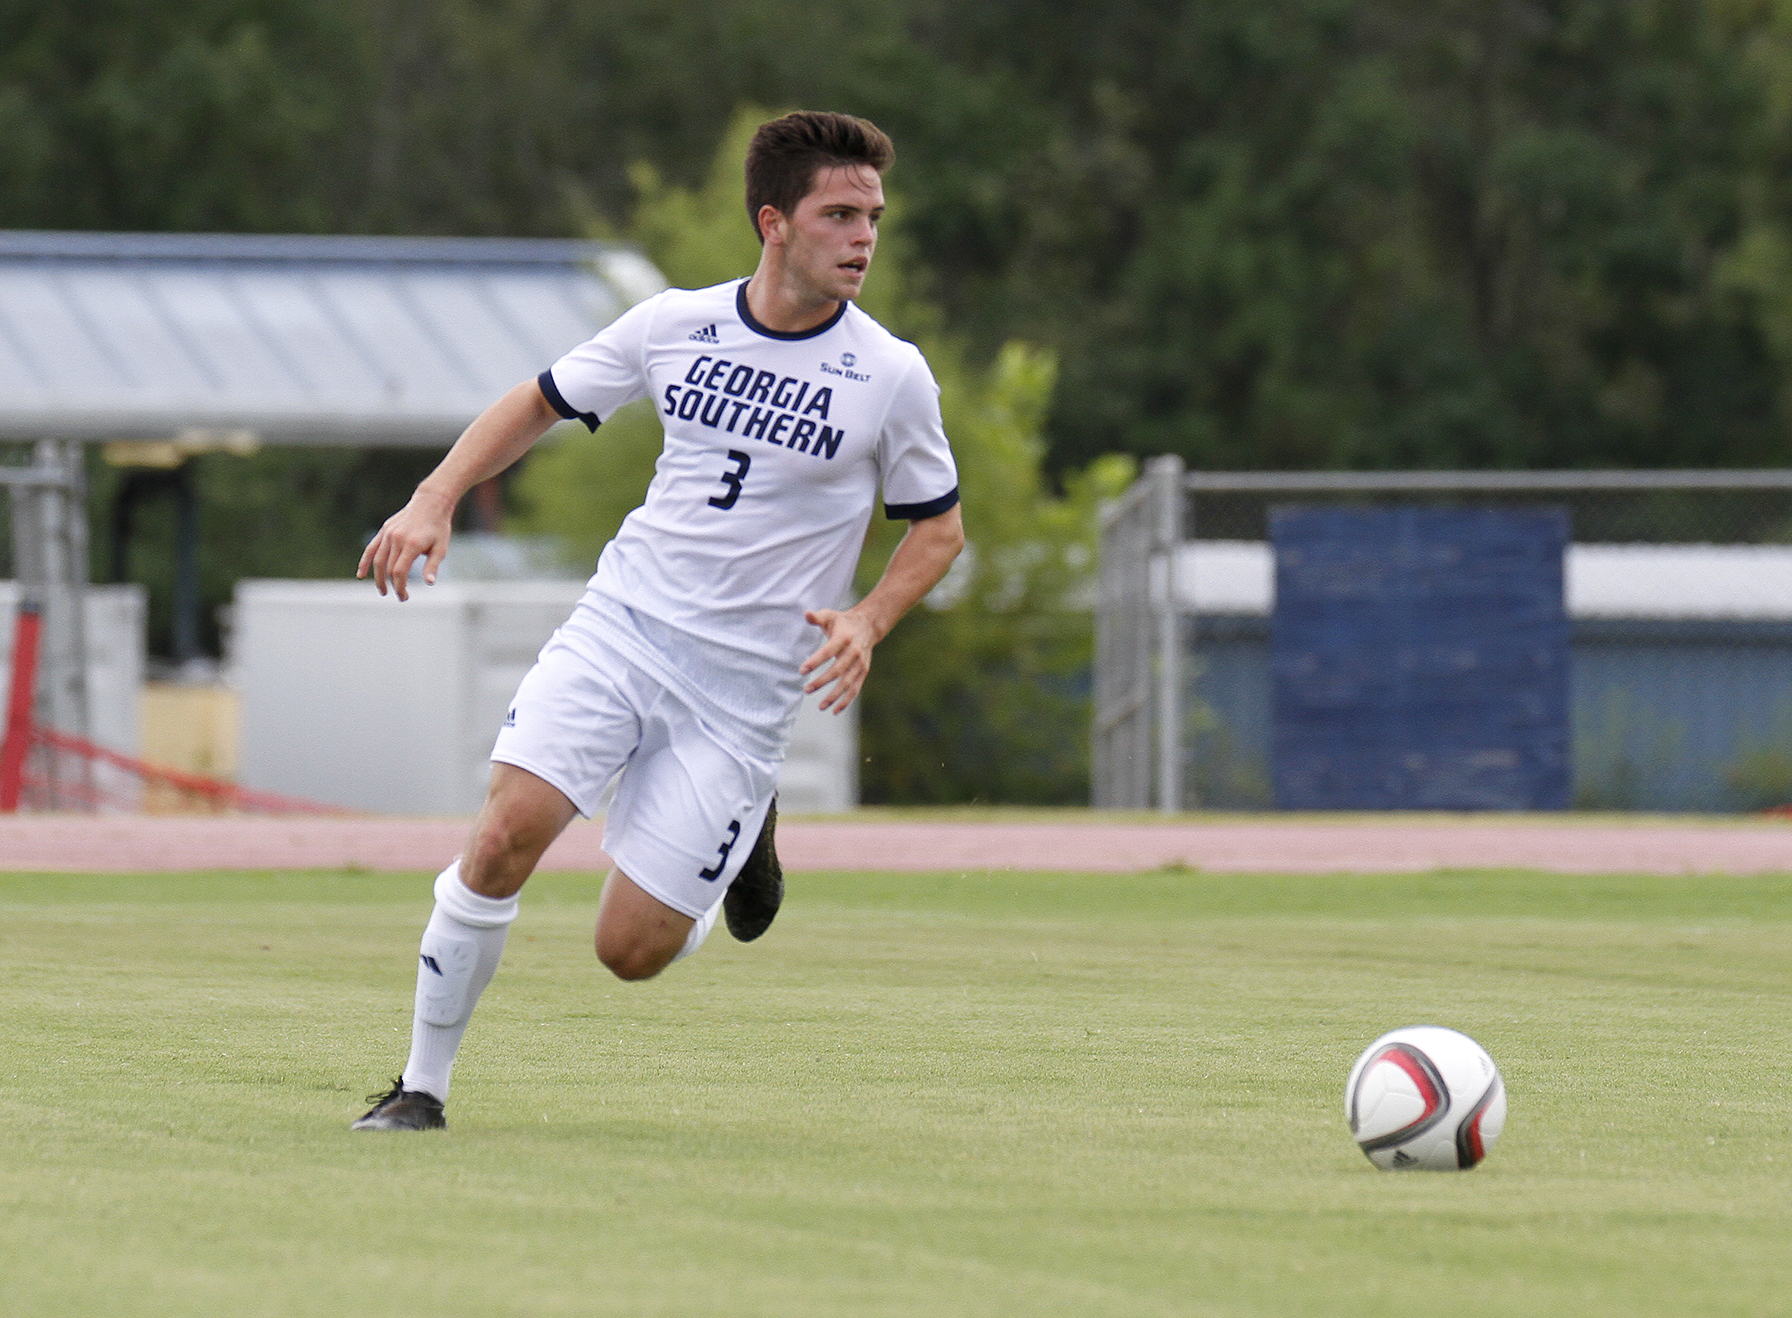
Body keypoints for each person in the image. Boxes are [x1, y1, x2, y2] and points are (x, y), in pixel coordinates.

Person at [350, 111, 964, 1131]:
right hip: (622, 629)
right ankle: (420, 1087)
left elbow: (937, 533)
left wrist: (867, 617)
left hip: (742, 694)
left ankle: (737, 843)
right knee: (503, 836)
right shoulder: (673, 323)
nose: (863, 237)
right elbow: (536, 401)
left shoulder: (889, 375)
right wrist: (433, 496)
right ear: (774, 222)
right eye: (838, 215)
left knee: (627, 951)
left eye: (873, 217)